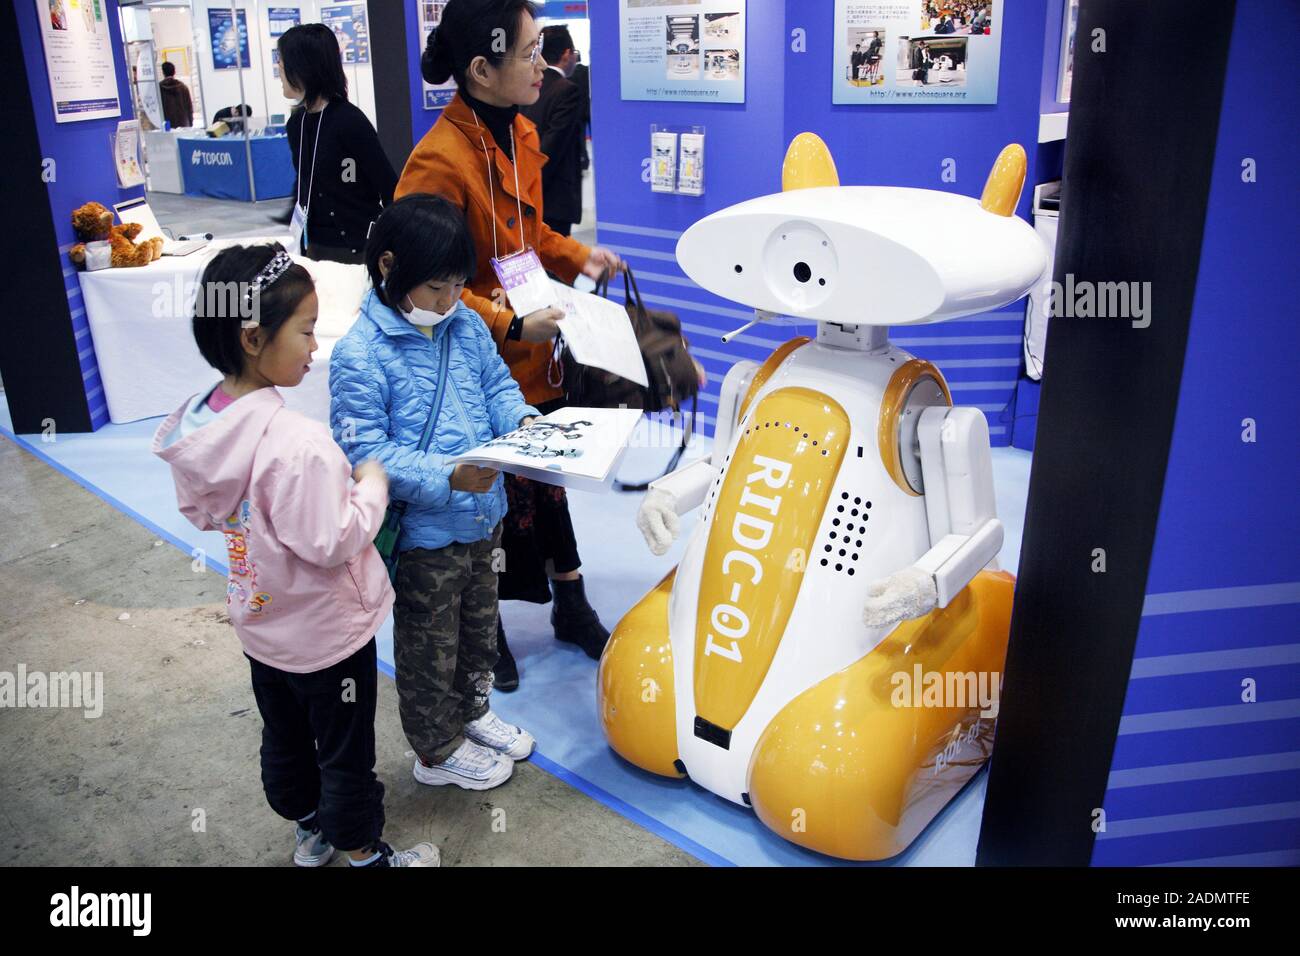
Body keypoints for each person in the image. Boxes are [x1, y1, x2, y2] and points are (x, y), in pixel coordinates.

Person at [152, 243, 438, 868]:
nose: (315, 346)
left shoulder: (202, 428)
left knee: (284, 736)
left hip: (261, 627)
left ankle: (307, 828)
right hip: (325, 637)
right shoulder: (296, 445)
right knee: (344, 750)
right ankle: (364, 851)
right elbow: (333, 539)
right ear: (253, 338)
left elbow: (202, 512)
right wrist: (372, 482)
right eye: (306, 331)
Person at [396, 0, 623, 692]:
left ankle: (571, 602)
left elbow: (525, 242)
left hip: (531, 351)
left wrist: (579, 256)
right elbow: (416, 280)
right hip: (469, 359)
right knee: (487, 499)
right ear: (480, 69)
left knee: (545, 479)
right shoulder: (438, 161)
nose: (543, 63)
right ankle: (485, 627)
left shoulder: (519, 130)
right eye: (527, 52)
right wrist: (510, 323)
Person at [330, 195, 539, 790]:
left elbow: (496, 385)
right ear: (390, 266)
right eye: (437, 289)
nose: (450, 303)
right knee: (429, 645)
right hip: (425, 533)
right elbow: (364, 455)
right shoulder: (358, 355)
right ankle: (436, 748)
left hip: (483, 515)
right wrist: (447, 477)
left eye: (457, 287)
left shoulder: (465, 324)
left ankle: (473, 713)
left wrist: (520, 421)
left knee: (480, 629)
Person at [278, 24, 397, 264]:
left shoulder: (349, 121)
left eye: (282, 61)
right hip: (312, 247)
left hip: (355, 250)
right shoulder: (297, 123)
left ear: (302, 67)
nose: (279, 68)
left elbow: (389, 187)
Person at [521, 25, 585, 237]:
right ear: (567, 54)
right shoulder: (567, 90)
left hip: (527, 190)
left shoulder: (525, 87)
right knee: (555, 259)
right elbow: (553, 146)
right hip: (555, 195)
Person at [159, 62, 193, 129]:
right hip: (183, 124)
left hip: (166, 125)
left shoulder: (159, 88)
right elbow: (189, 106)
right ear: (174, 72)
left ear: (163, 73)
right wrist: (190, 122)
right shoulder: (183, 87)